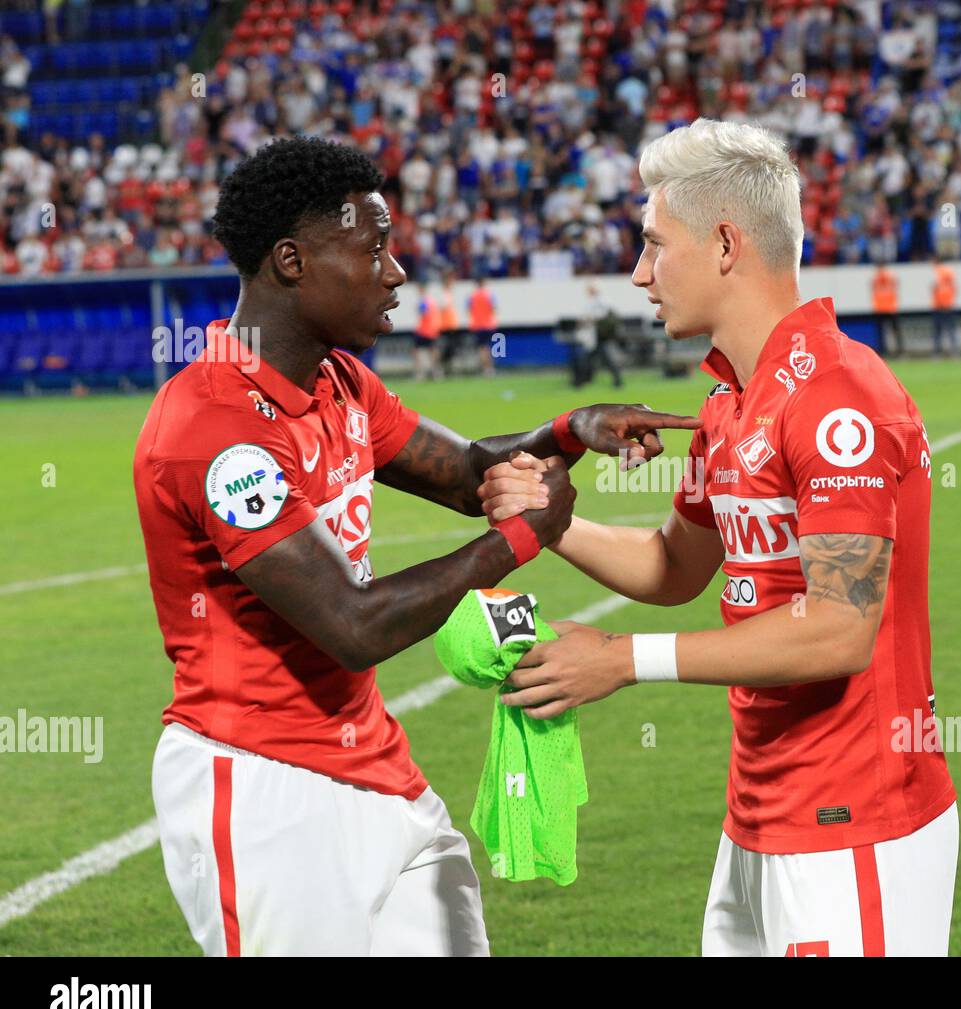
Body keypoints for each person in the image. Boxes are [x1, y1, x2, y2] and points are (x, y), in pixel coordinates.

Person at [132, 136, 700, 957]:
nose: (396, 272)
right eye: (372, 250)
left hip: (371, 760)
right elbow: (354, 625)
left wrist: (568, 430)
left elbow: (470, 473)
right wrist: (519, 539)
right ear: (291, 262)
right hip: (260, 784)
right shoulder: (216, 433)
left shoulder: (338, 382)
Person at [476, 119, 958, 957]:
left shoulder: (840, 396)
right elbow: (674, 565)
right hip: (756, 817)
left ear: (726, 243)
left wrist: (623, 660)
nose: (638, 273)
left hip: (855, 825)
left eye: (654, 244)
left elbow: (841, 627)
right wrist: (552, 524)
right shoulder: (730, 404)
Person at [571, 281, 624, 388]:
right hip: (594, 337)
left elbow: (600, 316)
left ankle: (580, 382)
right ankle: (582, 381)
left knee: (598, 359)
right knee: (591, 359)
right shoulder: (593, 301)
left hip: (600, 336)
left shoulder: (602, 301)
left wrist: (587, 320)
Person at [466, 276, 498, 376]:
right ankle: (491, 368)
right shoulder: (489, 295)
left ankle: (485, 369)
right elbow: (494, 308)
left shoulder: (472, 296)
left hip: (478, 325)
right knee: (489, 347)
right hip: (489, 324)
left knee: (482, 348)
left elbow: (469, 309)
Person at [870, 262, 903, 358]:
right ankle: (899, 351)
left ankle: (883, 352)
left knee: (881, 332)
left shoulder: (876, 277)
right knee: (894, 331)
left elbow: (873, 291)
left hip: (881, 307)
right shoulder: (891, 276)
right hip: (890, 307)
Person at [412, 279, 442, 380]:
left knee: (417, 350)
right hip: (433, 329)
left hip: (423, 330)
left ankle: (420, 373)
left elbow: (422, 313)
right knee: (433, 350)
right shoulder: (432, 300)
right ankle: (436, 371)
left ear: (421, 289)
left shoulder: (423, 301)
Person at [930, 254, 958, 357]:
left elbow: (935, 288)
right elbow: (954, 288)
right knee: (950, 329)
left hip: (940, 305)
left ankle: (937, 353)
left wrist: (942, 302)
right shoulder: (949, 271)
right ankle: (954, 351)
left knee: (938, 331)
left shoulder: (937, 273)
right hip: (948, 304)